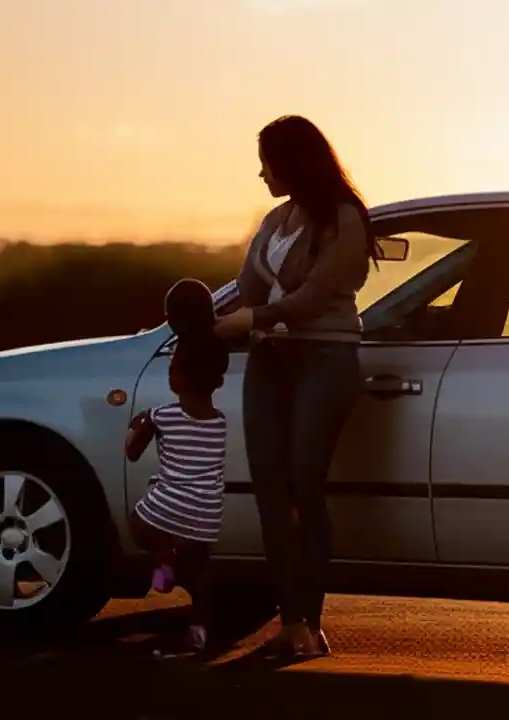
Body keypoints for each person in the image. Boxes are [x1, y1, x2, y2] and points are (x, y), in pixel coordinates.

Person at [213, 114, 375, 659]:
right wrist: (211, 321)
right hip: (270, 360)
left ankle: (310, 618)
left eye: (267, 162)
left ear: (293, 162)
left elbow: (311, 297)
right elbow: (245, 286)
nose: (261, 174)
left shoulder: (346, 219)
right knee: (271, 493)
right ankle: (293, 624)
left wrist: (254, 318)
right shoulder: (275, 220)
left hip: (324, 357)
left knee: (306, 483)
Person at [127, 278, 230, 654]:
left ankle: (164, 557)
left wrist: (138, 427)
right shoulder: (219, 421)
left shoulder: (162, 416)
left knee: (139, 523)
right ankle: (200, 629)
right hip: (207, 513)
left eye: (172, 363)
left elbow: (132, 453)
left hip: (169, 507)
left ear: (181, 375)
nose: (169, 369)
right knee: (200, 570)